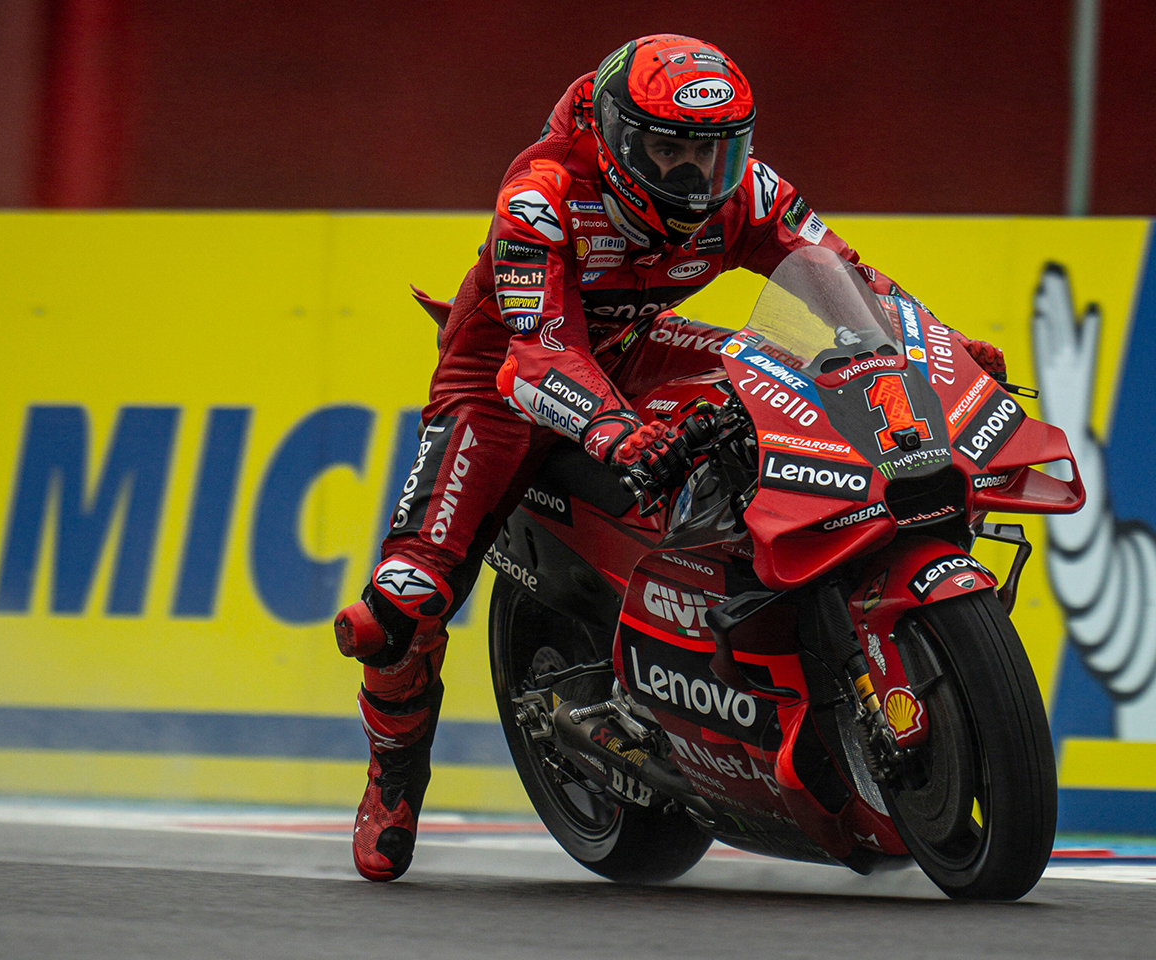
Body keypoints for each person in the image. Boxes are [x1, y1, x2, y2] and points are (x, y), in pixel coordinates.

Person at [331, 34, 1006, 882]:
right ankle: (394, 781)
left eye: (713, 152)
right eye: (670, 150)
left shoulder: (749, 192)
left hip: (635, 351)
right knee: (398, 606)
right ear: (614, 135)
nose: (694, 177)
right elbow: (537, 355)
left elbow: (846, 280)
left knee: (785, 385)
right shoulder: (541, 198)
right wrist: (614, 428)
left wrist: (938, 348)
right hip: (502, 384)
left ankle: (758, 624)